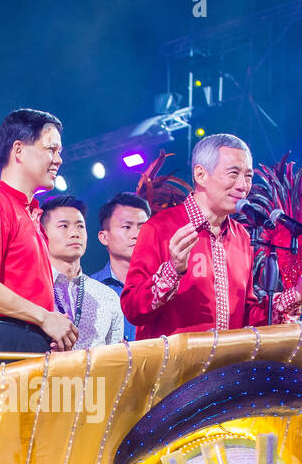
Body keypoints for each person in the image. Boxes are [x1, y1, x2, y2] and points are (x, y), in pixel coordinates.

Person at [0, 108, 77, 371]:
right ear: (19, 151)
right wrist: (44, 318)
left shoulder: (30, 213)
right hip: (3, 343)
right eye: (51, 149)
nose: (58, 159)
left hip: (27, 344)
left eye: (59, 152)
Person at [122, 133, 271, 339]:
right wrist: (172, 272)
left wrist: (298, 294)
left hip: (228, 368)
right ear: (201, 175)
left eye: (248, 176)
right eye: (233, 173)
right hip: (175, 369)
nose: (243, 186)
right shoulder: (158, 228)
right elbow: (132, 309)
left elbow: (246, 317)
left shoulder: (241, 237)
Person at [40, 195, 124, 349]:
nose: (75, 233)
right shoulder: (33, 290)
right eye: (64, 226)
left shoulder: (107, 296)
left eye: (80, 226)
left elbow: (117, 359)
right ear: (43, 234)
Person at [91, 192, 150, 340]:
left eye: (142, 227)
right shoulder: (89, 290)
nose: (136, 234)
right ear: (104, 237)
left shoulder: (164, 285)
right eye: (126, 227)